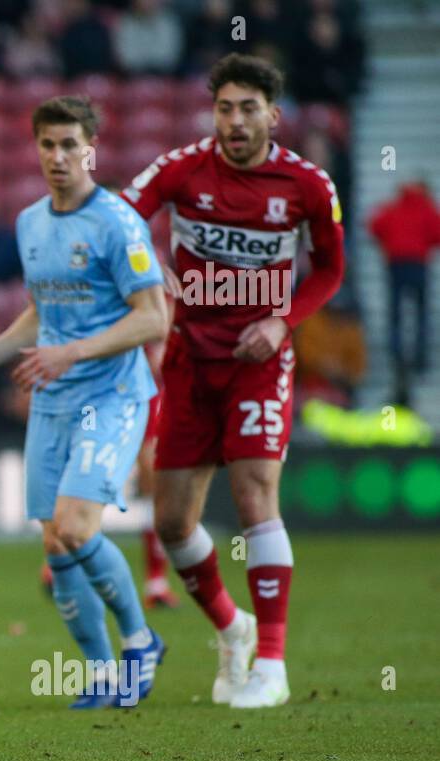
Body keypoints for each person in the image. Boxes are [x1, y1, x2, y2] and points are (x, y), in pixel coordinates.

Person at [120, 54, 346, 708]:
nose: (236, 120)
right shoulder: (182, 168)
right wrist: (147, 272)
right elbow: (122, 216)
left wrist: (283, 321)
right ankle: (231, 624)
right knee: (170, 523)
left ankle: (271, 665)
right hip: (189, 361)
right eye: (226, 107)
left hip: (258, 362)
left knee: (253, 499)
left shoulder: (307, 184)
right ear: (213, 112)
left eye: (249, 109)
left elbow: (330, 270)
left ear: (273, 117)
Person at [0, 96, 170, 710]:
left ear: (91, 150)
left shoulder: (118, 222)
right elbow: (42, 313)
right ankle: (103, 673)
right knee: (54, 542)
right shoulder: (30, 223)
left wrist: (72, 354)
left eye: (70, 145)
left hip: (112, 394)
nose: (58, 156)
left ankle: (141, 641)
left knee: (76, 527)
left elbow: (153, 319)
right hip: (52, 400)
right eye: (48, 145)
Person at [368, 180, 440, 383]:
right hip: (418, 265)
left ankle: (397, 355)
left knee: (396, 314)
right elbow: (437, 233)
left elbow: (375, 226)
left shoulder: (392, 207)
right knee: (421, 314)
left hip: (396, 264)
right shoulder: (426, 208)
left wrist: (389, 243)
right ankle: (420, 358)